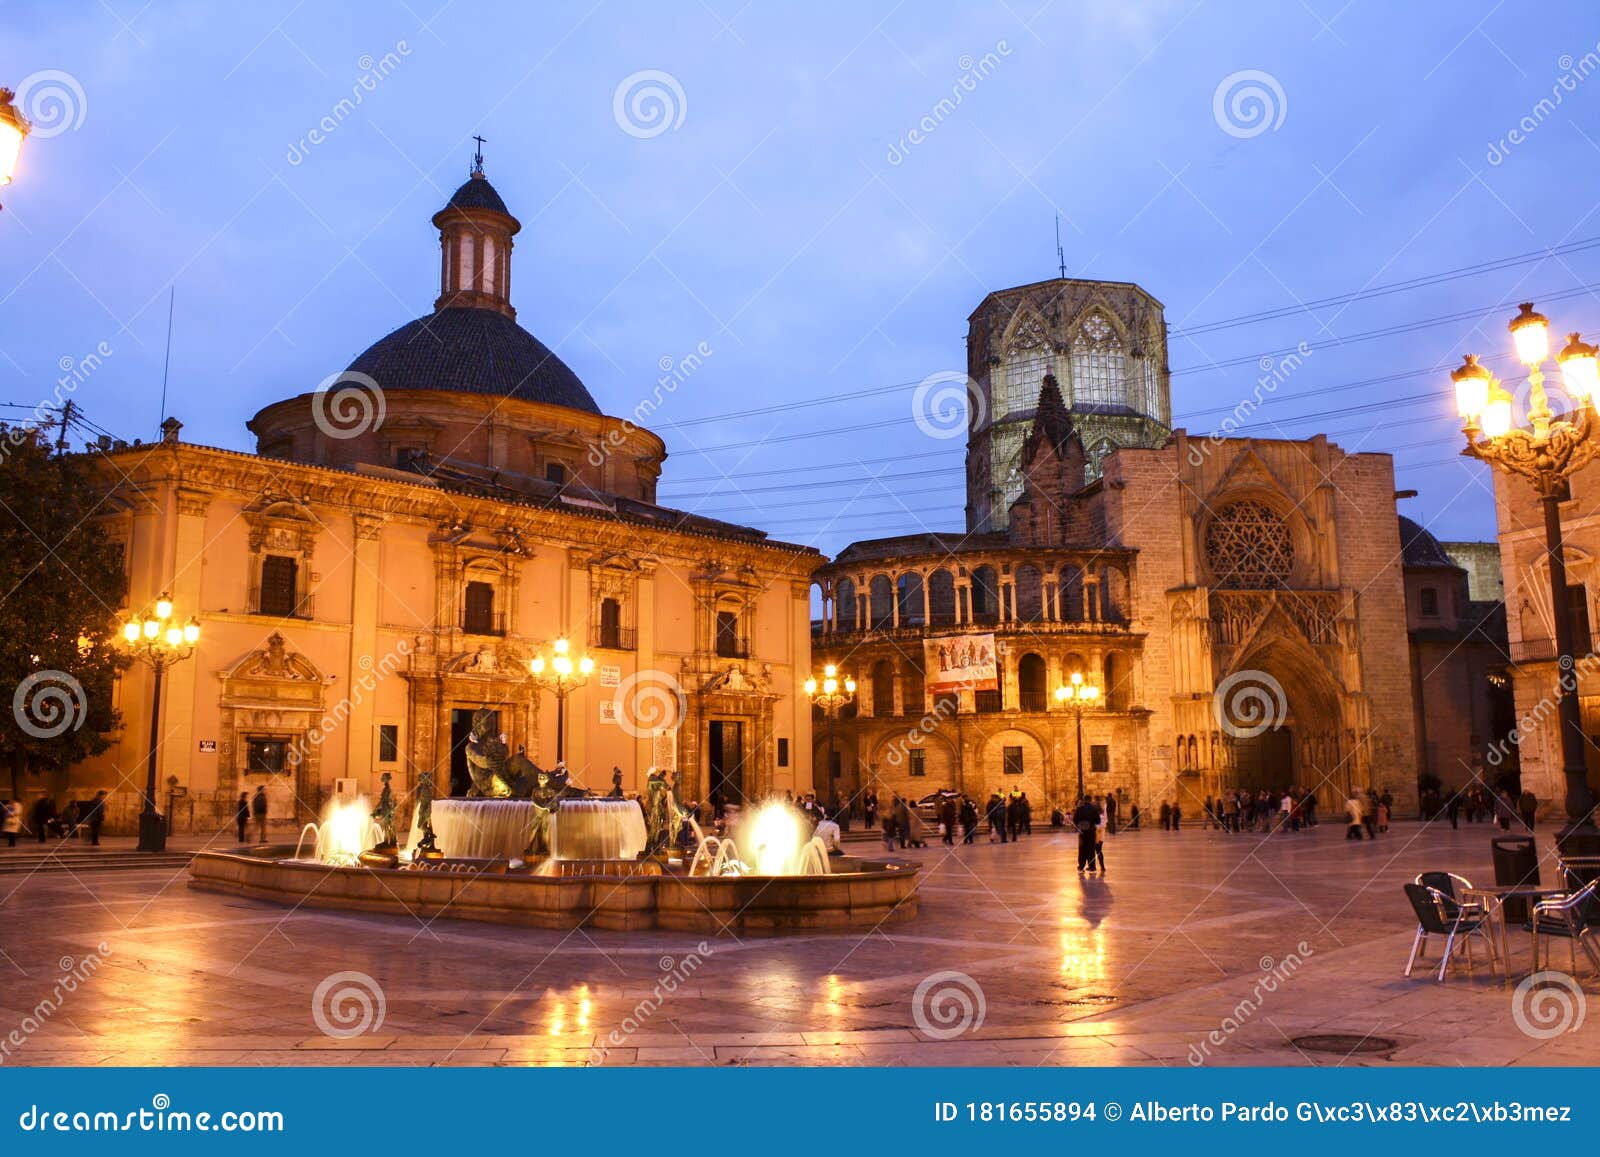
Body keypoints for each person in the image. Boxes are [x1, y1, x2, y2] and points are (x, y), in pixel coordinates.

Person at [1073, 796, 1101, 872]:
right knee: (1091, 850)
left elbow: (1075, 820)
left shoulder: (1079, 809)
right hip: (1091, 832)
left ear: (1084, 800)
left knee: (1082, 850)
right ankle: (1092, 868)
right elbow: (1098, 821)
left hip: (1082, 832)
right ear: (1090, 800)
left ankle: (1081, 867)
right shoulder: (1094, 809)